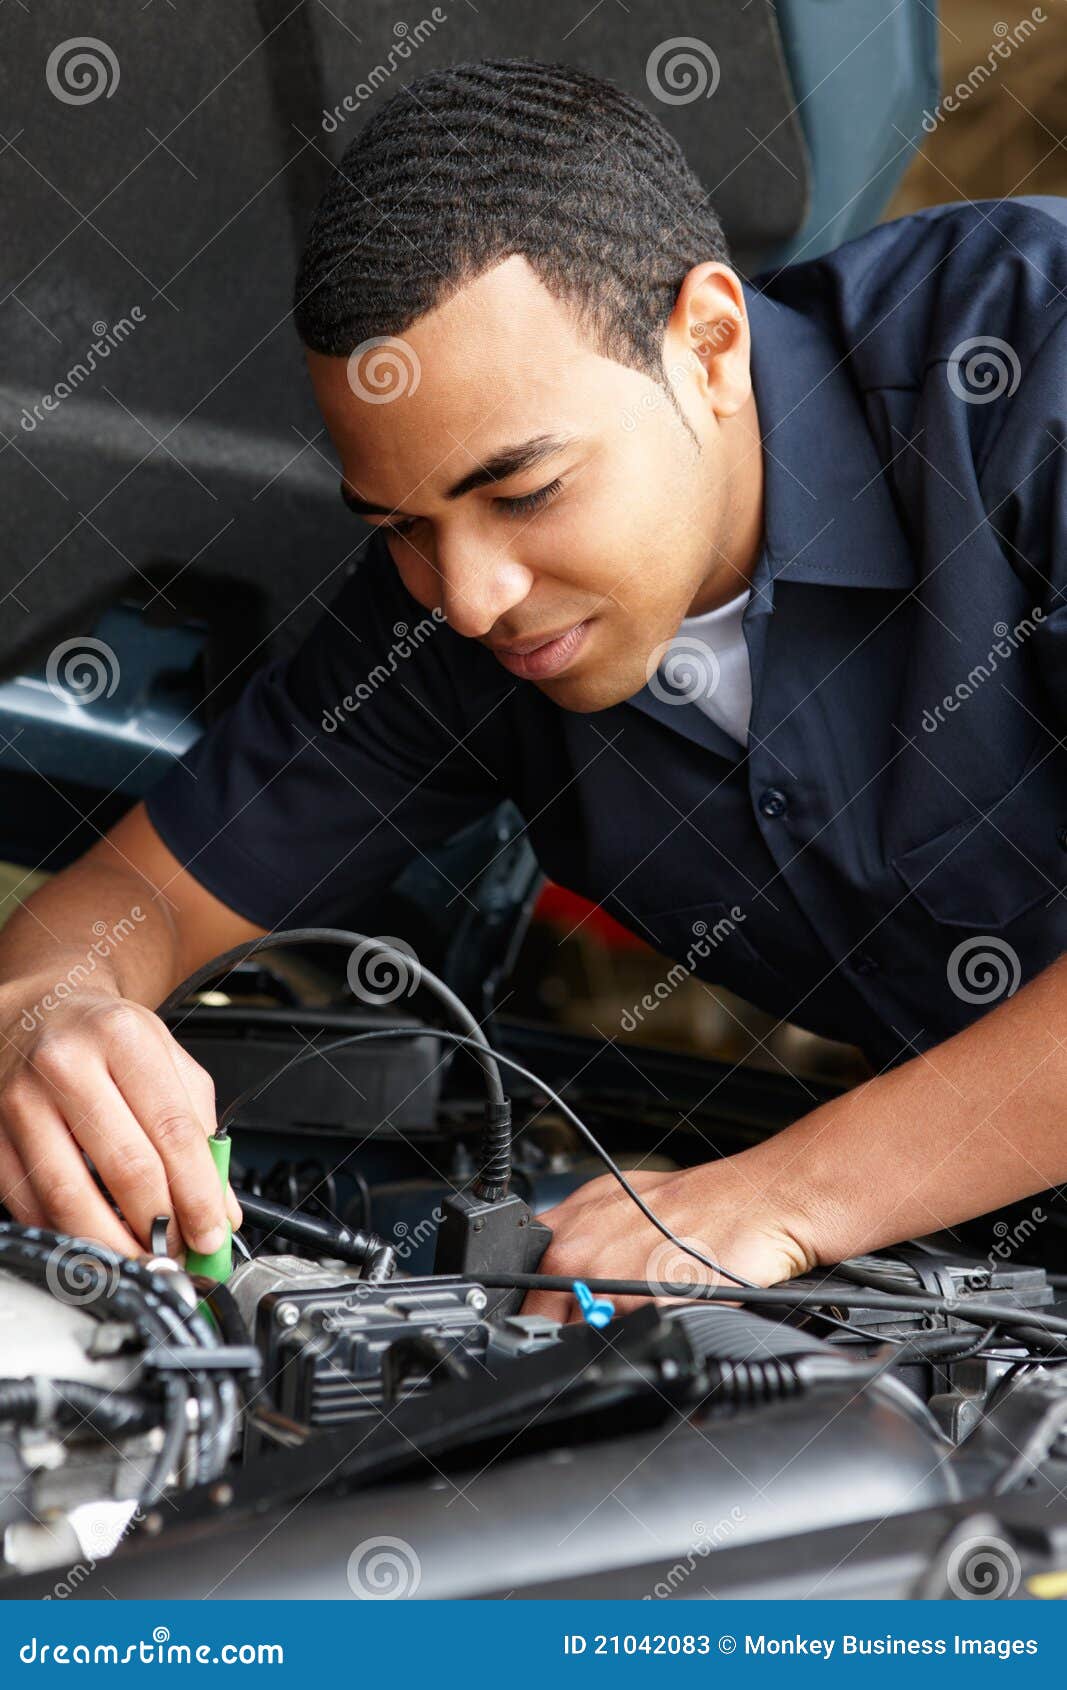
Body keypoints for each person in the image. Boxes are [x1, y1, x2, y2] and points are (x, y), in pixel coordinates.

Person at [1, 59, 1065, 1324]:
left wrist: (785, 1195)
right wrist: (46, 1016)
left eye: (523, 491)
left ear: (709, 344)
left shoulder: (1021, 353)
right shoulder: (436, 632)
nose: (468, 597)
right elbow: (132, 897)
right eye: (403, 524)